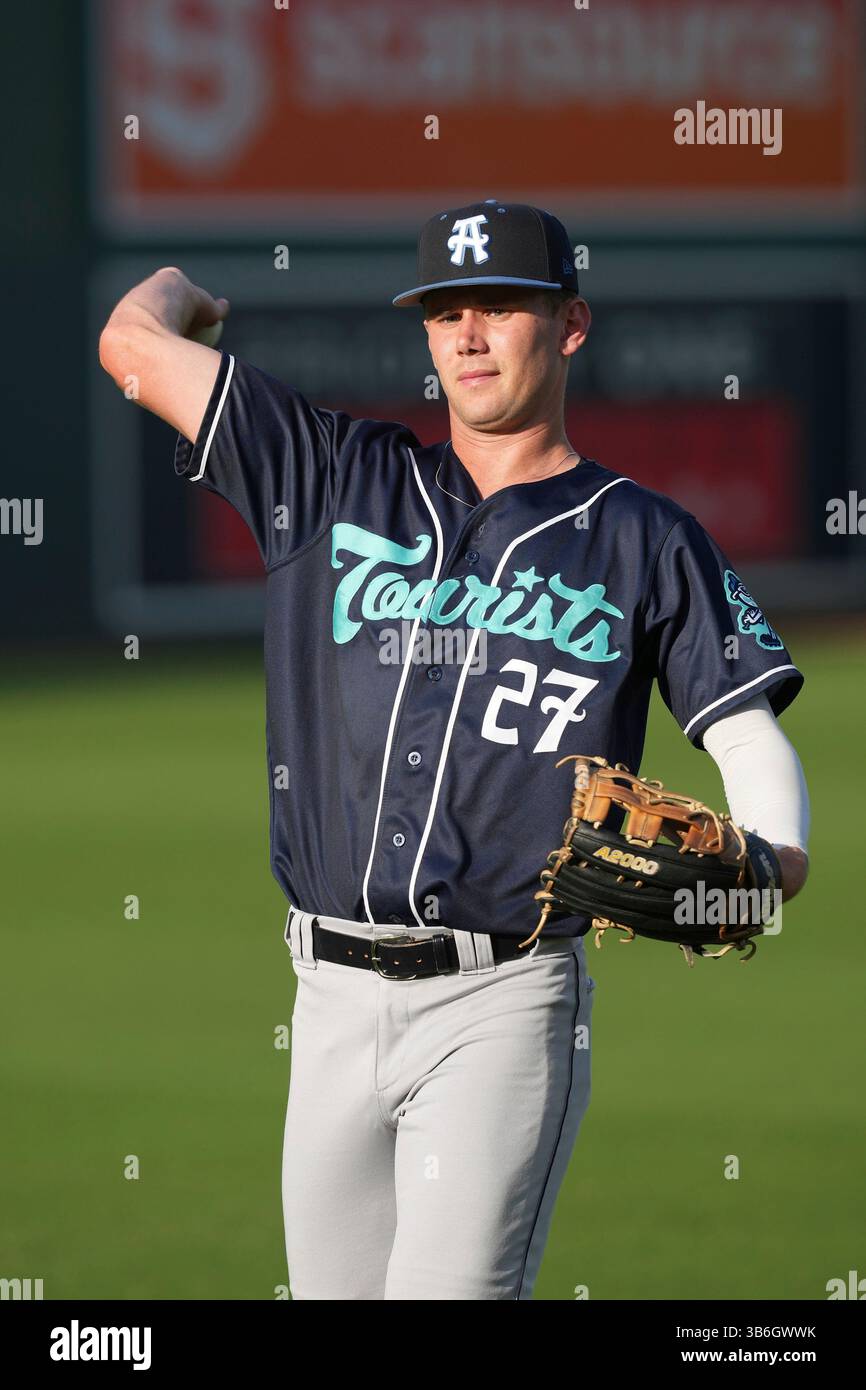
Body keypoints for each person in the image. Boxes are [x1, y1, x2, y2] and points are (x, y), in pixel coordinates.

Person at [98, 199, 810, 1301]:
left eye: (501, 308)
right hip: (325, 999)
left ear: (568, 324)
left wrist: (773, 856)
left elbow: (741, 728)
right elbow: (131, 344)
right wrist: (185, 296)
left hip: (501, 1003)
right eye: (445, 311)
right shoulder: (330, 475)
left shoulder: (641, 537)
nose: (468, 335)